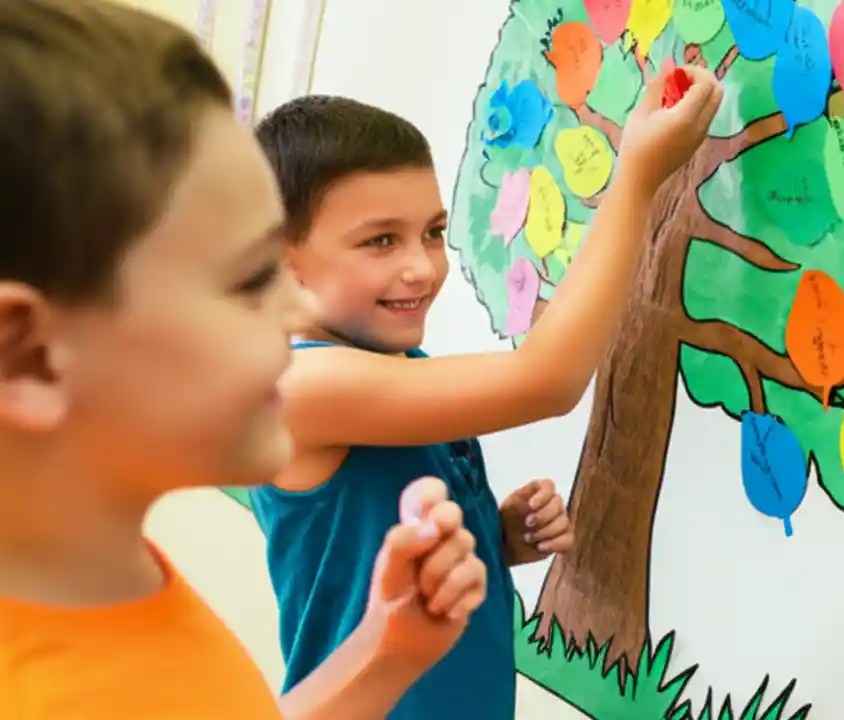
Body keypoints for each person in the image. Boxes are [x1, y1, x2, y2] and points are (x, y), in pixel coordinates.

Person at [0, 2, 486, 717]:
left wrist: (388, 649)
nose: (296, 315)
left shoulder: (102, 591)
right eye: (254, 279)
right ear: (33, 358)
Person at [249, 69, 723, 718]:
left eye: (434, 232)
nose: (422, 266)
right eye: (381, 240)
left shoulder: (393, 363)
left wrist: (493, 538)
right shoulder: (299, 385)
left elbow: (369, 546)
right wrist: (638, 176)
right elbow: (547, 381)